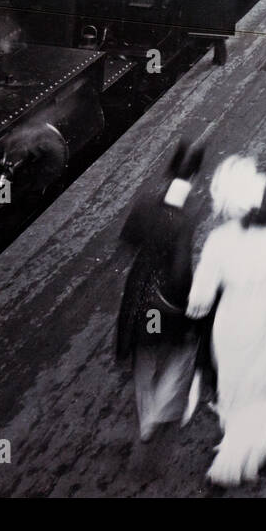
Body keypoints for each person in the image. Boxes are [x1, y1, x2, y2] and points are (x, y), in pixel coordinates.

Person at [187, 157, 266, 486]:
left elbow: (199, 299)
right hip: (264, 322)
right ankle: (248, 454)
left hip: (229, 325)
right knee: (263, 385)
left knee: (237, 385)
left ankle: (233, 445)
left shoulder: (218, 241)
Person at [115, 138, 208, 442]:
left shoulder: (144, 204)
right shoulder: (184, 220)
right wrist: (188, 302)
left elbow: (128, 242)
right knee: (180, 350)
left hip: (139, 290)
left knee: (144, 354)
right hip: (165, 300)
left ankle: (146, 419)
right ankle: (162, 407)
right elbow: (181, 270)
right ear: (194, 179)